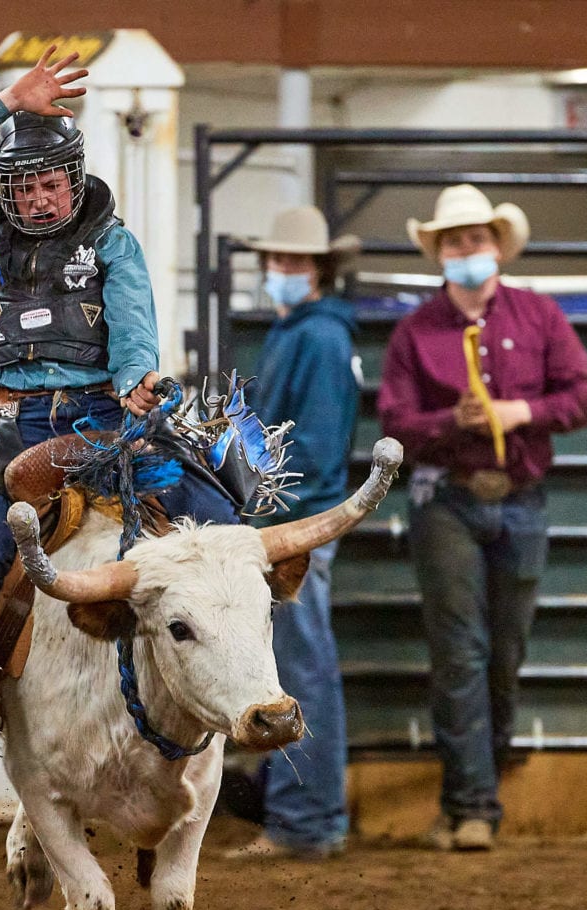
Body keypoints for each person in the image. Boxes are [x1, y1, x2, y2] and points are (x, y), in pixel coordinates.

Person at [0, 47, 238, 794]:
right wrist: (6, 100)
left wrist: (136, 380)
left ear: (74, 178)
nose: (38, 199)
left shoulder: (111, 245)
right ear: (7, 190)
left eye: (50, 183)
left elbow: (132, 329)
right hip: (17, 430)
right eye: (24, 186)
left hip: (106, 423)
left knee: (221, 514)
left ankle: (239, 677)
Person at [377, 184, 587, 852]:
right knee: (461, 651)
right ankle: (473, 802)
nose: (465, 250)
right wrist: (453, 421)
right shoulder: (416, 332)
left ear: (496, 246)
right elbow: (395, 424)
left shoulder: (540, 316)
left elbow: (583, 395)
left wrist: (521, 413)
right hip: (447, 497)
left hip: (522, 495)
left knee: (504, 651)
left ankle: (472, 792)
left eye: (474, 239)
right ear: (439, 252)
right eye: (454, 241)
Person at [224, 206, 360, 862]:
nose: (282, 270)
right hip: (291, 521)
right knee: (296, 663)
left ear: (319, 270)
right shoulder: (305, 333)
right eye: (277, 260)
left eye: (295, 262)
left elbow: (313, 448)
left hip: (296, 524)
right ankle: (303, 812)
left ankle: (308, 820)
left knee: (301, 665)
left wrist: (268, 517)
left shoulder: (316, 338)